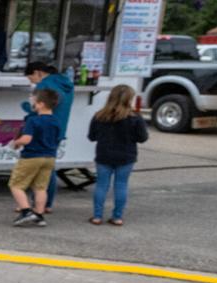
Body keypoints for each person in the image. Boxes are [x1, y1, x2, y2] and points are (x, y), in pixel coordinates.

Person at [86, 84, 148, 226]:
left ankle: (97, 216)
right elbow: (142, 138)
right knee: (121, 185)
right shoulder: (135, 118)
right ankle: (117, 216)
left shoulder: (99, 116)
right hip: (126, 155)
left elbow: (92, 136)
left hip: (104, 154)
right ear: (129, 99)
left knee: (102, 185)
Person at [20, 61, 74, 212]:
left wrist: (25, 107)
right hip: (57, 129)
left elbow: (37, 108)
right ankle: (46, 204)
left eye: (31, 77)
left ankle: (35, 204)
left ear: (38, 72)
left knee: (37, 168)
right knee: (49, 167)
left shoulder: (44, 85)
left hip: (40, 130)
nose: (31, 81)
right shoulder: (65, 83)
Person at [8, 88, 61, 226]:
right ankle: (39, 214)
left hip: (31, 156)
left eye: (35, 102)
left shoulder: (33, 120)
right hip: (49, 157)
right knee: (40, 188)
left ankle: (26, 212)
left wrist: (16, 142)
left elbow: (26, 139)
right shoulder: (56, 121)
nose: (33, 104)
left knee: (16, 185)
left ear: (41, 104)